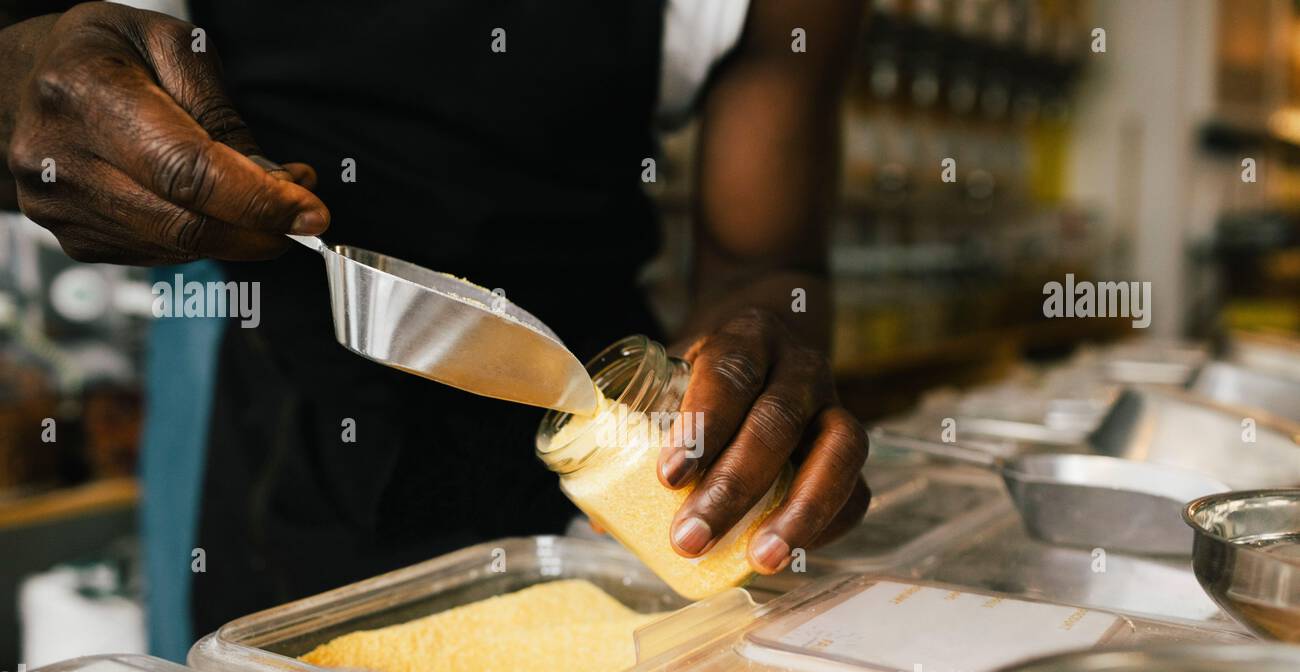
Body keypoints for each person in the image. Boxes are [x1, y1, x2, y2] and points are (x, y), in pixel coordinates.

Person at [0, 0, 871, 639]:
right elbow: (40, 75)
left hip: (597, 449)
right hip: (279, 421)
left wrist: (758, 363)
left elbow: (770, 264)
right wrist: (29, 86)